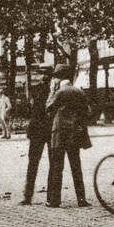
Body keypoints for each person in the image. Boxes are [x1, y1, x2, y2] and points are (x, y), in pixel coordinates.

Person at [46, 66, 91, 207]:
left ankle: (55, 200)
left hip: (59, 133)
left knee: (57, 167)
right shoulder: (79, 91)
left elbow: (48, 107)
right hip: (74, 134)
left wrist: (52, 92)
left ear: (59, 78)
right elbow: (87, 112)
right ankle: (81, 199)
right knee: (76, 167)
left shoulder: (59, 92)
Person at [20, 73, 52, 205]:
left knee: (33, 164)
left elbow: (28, 110)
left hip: (37, 130)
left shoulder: (34, 89)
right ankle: (51, 197)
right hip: (48, 129)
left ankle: (28, 196)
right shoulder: (52, 90)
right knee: (53, 163)